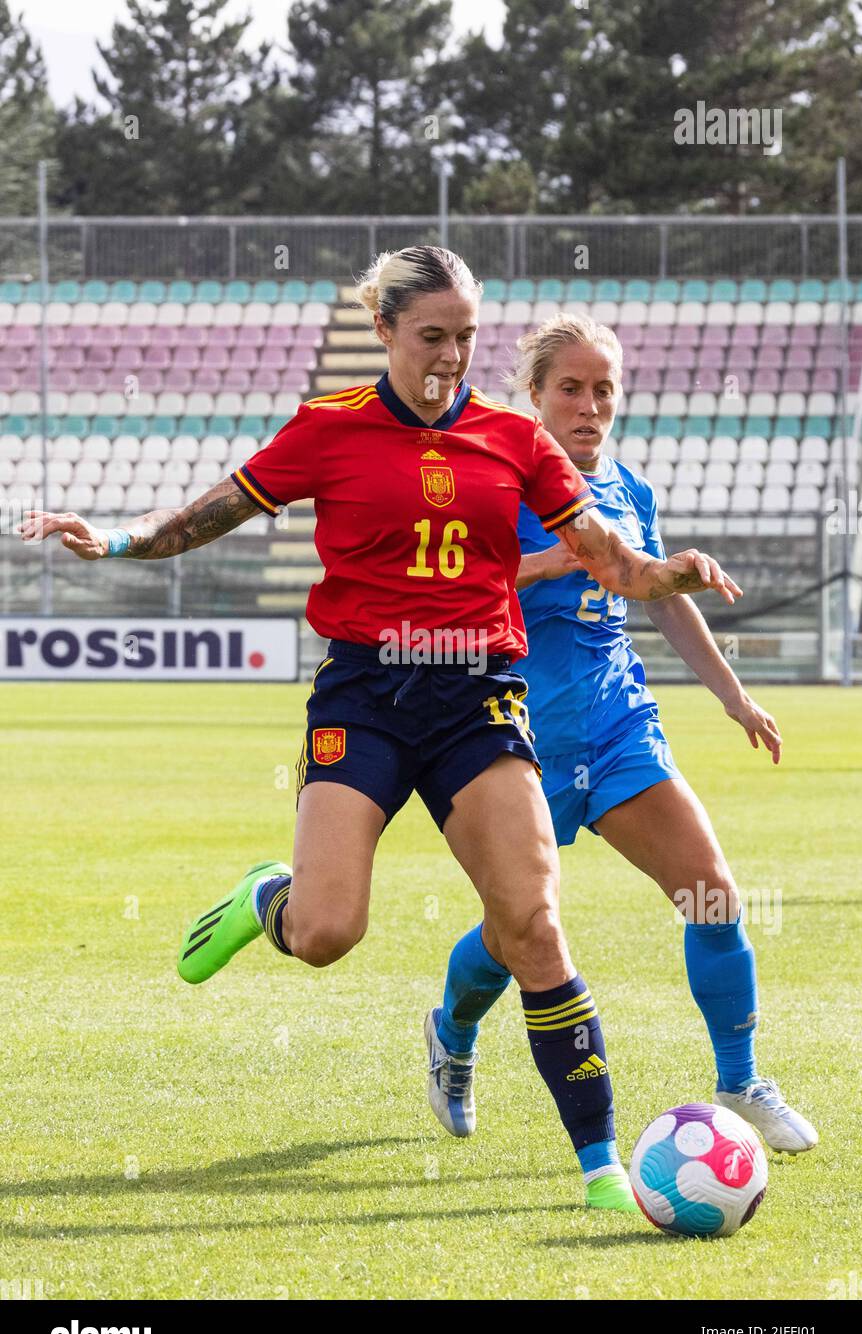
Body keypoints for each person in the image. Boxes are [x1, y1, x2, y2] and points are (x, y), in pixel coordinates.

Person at [20, 248, 741, 1214]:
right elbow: (206, 515)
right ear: (387, 332)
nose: (450, 355)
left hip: (478, 697)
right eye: (431, 336)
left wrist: (674, 570)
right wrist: (113, 537)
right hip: (363, 696)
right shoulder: (329, 430)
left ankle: (602, 1167)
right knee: (324, 934)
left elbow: (615, 566)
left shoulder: (514, 440)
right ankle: (269, 898)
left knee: (531, 920)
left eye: (465, 337)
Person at [427, 313, 817, 1168]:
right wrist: (557, 562)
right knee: (516, 928)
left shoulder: (627, 493)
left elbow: (660, 597)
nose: (589, 405)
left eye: (603, 389)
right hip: (515, 738)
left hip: (615, 725)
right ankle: (451, 1032)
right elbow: (456, 583)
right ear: (533, 396)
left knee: (711, 891)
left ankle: (740, 1080)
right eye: (569, 387)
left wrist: (733, 697)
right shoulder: (497, 481)